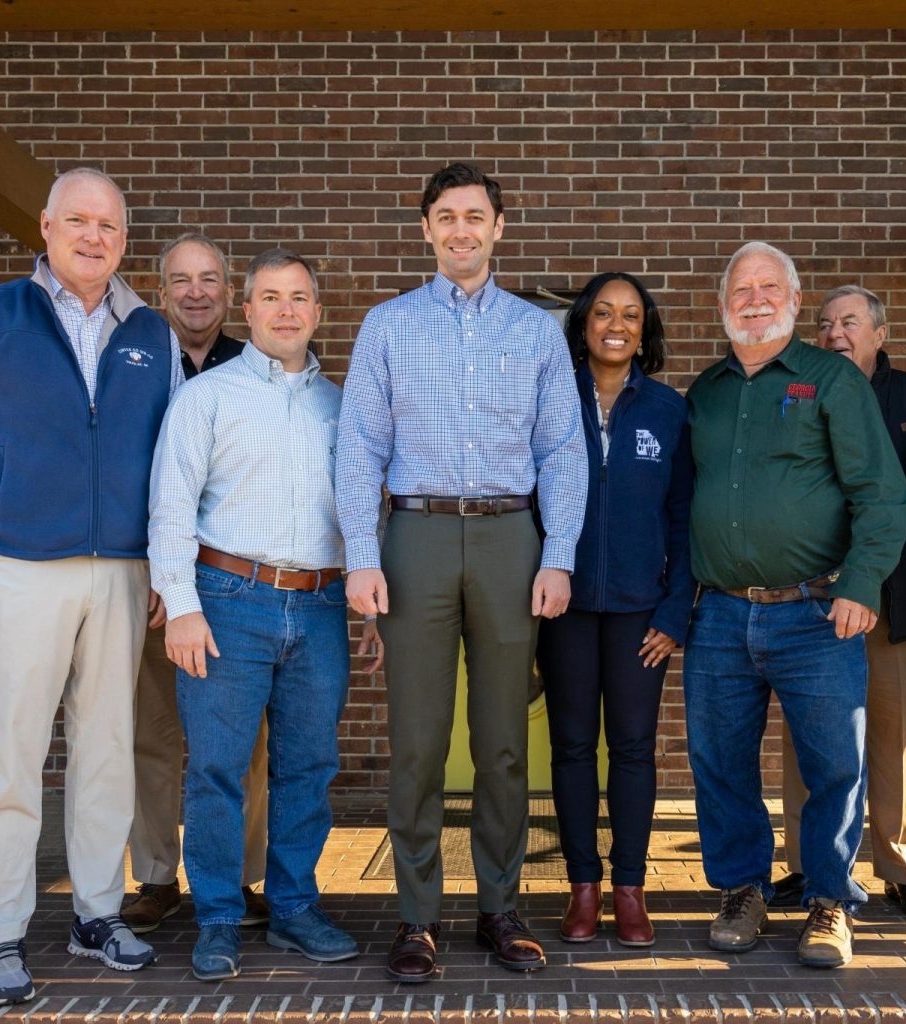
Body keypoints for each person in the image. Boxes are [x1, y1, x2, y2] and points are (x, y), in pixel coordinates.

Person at [0, 167, 179, 1005]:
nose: (93, 236)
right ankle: (1, 933)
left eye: (108, 225)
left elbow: (172, 471)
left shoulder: (153, 334)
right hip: (16, 568)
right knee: (12, 755)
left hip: (123, 571)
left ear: (124, 240)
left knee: (107, 751)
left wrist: (167, 571)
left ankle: (97, 914)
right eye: (78, 221)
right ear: (46, 225)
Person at [336, 162, 586, 983]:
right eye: (446, 216)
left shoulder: (535, 331)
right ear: (426, 229)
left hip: (512, 535)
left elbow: (562, 449)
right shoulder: (387, 326)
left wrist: (558, 554)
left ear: (498, 227)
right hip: (418, 535)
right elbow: (359, 447)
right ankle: (417, 917)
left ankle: (499, 908)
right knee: (416, 741)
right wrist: (363, 554)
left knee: (504, 742)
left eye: (474, 216)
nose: (460, 230)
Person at [149, 248, 382, 980]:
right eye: (271, 297)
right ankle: (218, 917)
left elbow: (361, 512)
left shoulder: (342, 407)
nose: (286, 310)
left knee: (308, 767)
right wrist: (181, 607)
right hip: (227, 601)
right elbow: (170, 509)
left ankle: (294, 909)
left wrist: (369, 607)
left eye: (299, 297)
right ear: (246, 310)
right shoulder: (206, 397)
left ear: (318, 312)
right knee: (216, 769)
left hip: (320, 606)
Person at [683, 242, 906, 970]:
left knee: (834, 763)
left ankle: (830, 901)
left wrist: (861, 584)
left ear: (794, 298)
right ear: (723, 306)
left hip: (815, 613)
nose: (755, 300)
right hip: (719, 613)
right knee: (720, 762)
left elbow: (882, 493)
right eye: (741, 290)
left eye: (768, 287)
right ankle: (741, 891)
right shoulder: (706, 391)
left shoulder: (833, 380)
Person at [775, 284, 906, 921]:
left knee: (897, 738)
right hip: (810, 601)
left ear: (880, 333)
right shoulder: (795, 393)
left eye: (849, 322)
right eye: (824, 324)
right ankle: (805, 864)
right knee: (808, 735)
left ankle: (903, 867)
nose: (834, 333)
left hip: (896, 599)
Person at [536, 272, 692, 948]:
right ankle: (583, 888)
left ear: (644, 328)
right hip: (563, 607)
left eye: (630, 314)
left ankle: (630, 888)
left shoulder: (667, 409)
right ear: (583, 323)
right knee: (571, 747)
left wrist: (675, 613)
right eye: (603, 312)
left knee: (632, 748)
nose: (616, 325)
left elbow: (684, 518)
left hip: (640, 612)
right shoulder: (549, 397)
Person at [121, 233, 270, 935]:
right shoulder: (133, 366)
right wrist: (159, 572)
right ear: (161, 292)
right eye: (181, 280)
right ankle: (156, 876)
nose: (196, 292)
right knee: (151, 730)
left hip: (236, 582)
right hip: (156, 583)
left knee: (245, 740)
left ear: (230, 292)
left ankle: (240, 877)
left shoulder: (259, 364)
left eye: (209, 278)